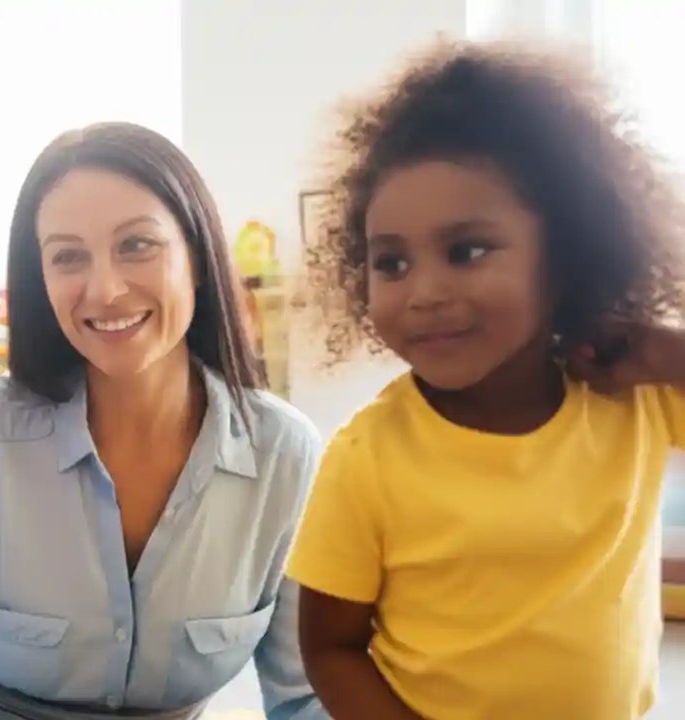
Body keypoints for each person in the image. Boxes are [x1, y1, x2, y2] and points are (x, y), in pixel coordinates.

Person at [0, 122, 327, 720]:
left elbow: (306, 696)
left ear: (199, 259)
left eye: (137, 245)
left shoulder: (286, 454)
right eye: (68, 257)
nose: (104, 290)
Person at [287, 40, 685, 720]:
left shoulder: (636, 399)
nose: (424, 292)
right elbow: (329, 649)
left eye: (465, 251)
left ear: (563, 257)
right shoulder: (367, 458)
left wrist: (665, 352)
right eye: (392, 263)